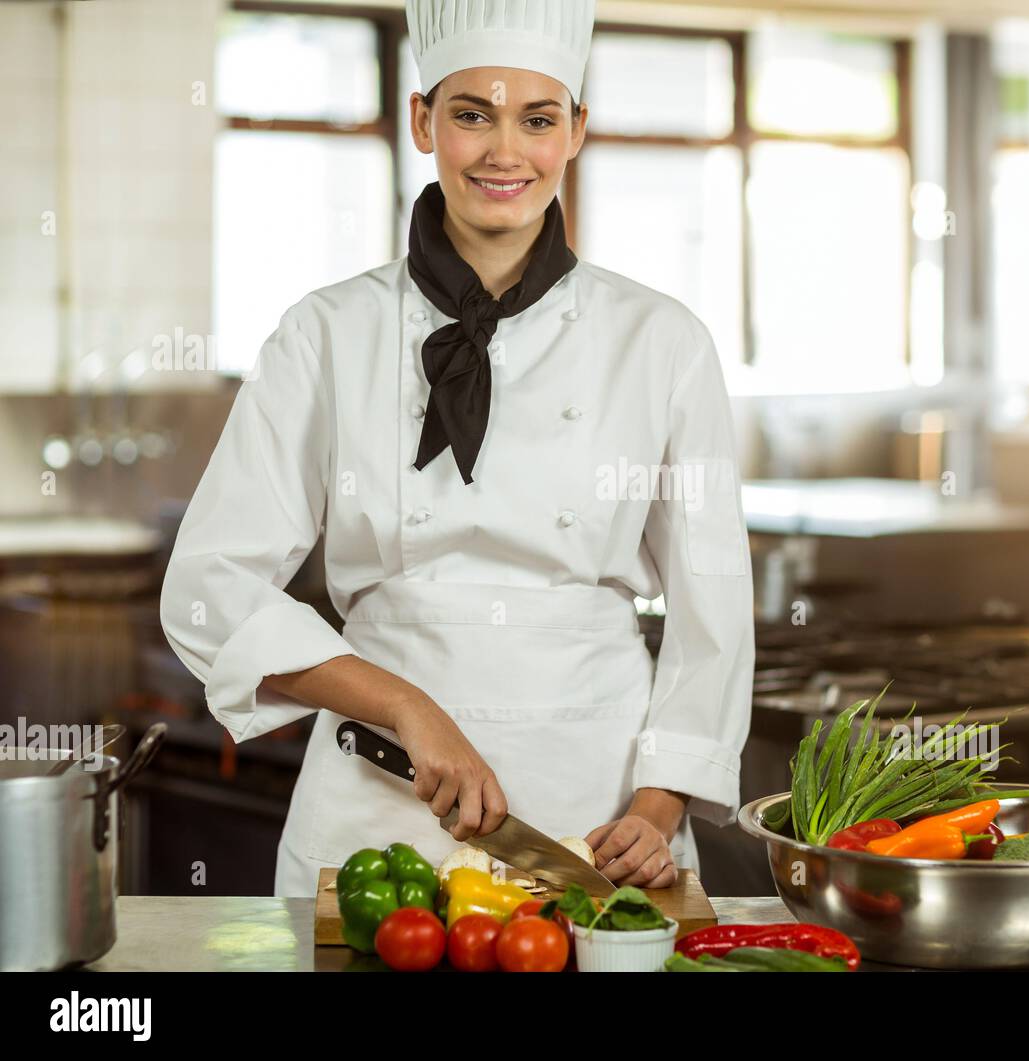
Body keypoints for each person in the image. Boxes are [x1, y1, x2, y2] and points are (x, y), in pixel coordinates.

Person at [160, 0, 754, 897]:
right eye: (472, 113)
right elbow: (209, 586)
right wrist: (405, 706)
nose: (503, 152)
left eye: (538, 119)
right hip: (378, 801)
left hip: (594, 811)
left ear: (578, 131)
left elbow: (714, 613)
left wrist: (657, 808)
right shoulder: (325, 334)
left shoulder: (663, 341)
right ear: (421, 120)